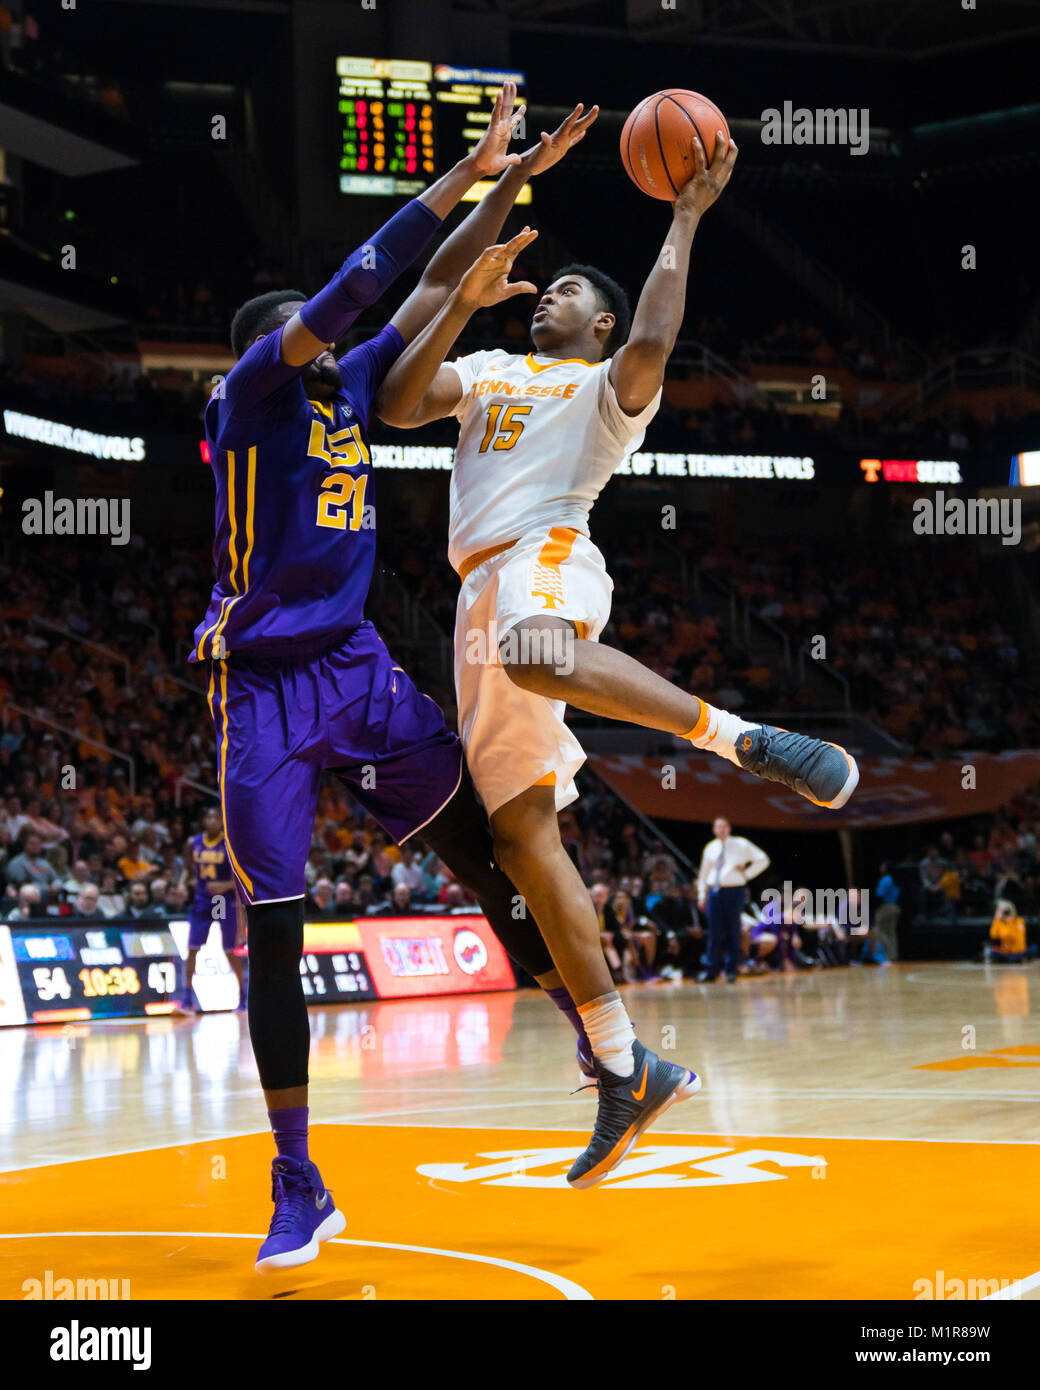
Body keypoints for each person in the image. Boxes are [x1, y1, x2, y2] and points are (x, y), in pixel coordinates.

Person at [376, 127, 859, 1188]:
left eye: (567, 296)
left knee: (539, 650)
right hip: (475, 595)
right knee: (516, 836)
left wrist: (683, 217)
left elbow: (650, 342)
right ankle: (620, 1059)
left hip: (546, 550)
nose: (545, 297)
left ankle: (740, 737)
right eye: (542, 292)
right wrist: (465, 288)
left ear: (596, 323)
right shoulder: (494, 366)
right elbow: (394, 403)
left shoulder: (603, 395)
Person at [189, 86, 602, 1272]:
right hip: (260, 689)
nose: (342, 357)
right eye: (320, 343)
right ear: (281, 344)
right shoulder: (255, 392)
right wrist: (459, 171)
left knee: (480, 838)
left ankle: (588, 1028)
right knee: (275, 933)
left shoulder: (350, 387)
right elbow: (362, 289)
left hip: (357, 670)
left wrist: (509, 182)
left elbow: (421, 298)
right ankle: (295, 1176)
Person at [178, 807, 246, 1010]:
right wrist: (183, 882)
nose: (212, 821)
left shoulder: (229, 843)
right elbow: (188, 868)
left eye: (216, 817)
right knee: (192, 948)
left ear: (222, 820)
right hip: (202, 899)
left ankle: (242, 996)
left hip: (223, 901)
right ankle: (187, 998)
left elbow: (242, 878)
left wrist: (225, 885)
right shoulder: (193, 842)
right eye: (208, 817)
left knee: (229, 950)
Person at [696, 817, 770, 982]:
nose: (721, 830)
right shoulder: (710, 848)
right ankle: (711, 971)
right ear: (714, 830)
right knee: (714, 932)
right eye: (718, 827)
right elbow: (703, 874)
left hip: (734, 890)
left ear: (729, 828)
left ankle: (731, 970)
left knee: (733, 931)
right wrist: (702, 895)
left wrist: (746, 874)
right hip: (715, 892)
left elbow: (763, 859)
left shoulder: (741, 844)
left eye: (724, 826)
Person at [986, 899, 1034, 963]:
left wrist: (1011, 920)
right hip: (1006, 953)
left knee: (1034, 949)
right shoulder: (999, 923)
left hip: (1020, 952)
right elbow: (993, 935)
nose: (1006, 912)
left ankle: (1019, 959)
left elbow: (1016, 937)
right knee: (992, 951)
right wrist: (997, 918)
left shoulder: (1019, 921)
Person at [874, 861, 901, 962]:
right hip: (895, 907)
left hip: (887, 907)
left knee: (882, 932)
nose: (880, 867)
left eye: (882, 866)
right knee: (891, 933)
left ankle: (887, 956)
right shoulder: (895, 879)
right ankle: (894, 955)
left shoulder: (885, 879)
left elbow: (879, 895)